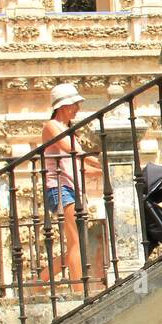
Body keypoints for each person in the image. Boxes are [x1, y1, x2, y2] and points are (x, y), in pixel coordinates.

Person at [39, 83, 102, 287]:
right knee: (75, 241)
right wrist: (99, 159)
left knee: (75, 244)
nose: (77, 108)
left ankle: (38, 282)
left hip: (71, 186)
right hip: (59, 187)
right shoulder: (52, 127)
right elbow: (70, 150)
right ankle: (77, 290)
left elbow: (79, 164)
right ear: (63, 106)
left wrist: (104, 169)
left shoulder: (69, 131)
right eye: (74, 104)